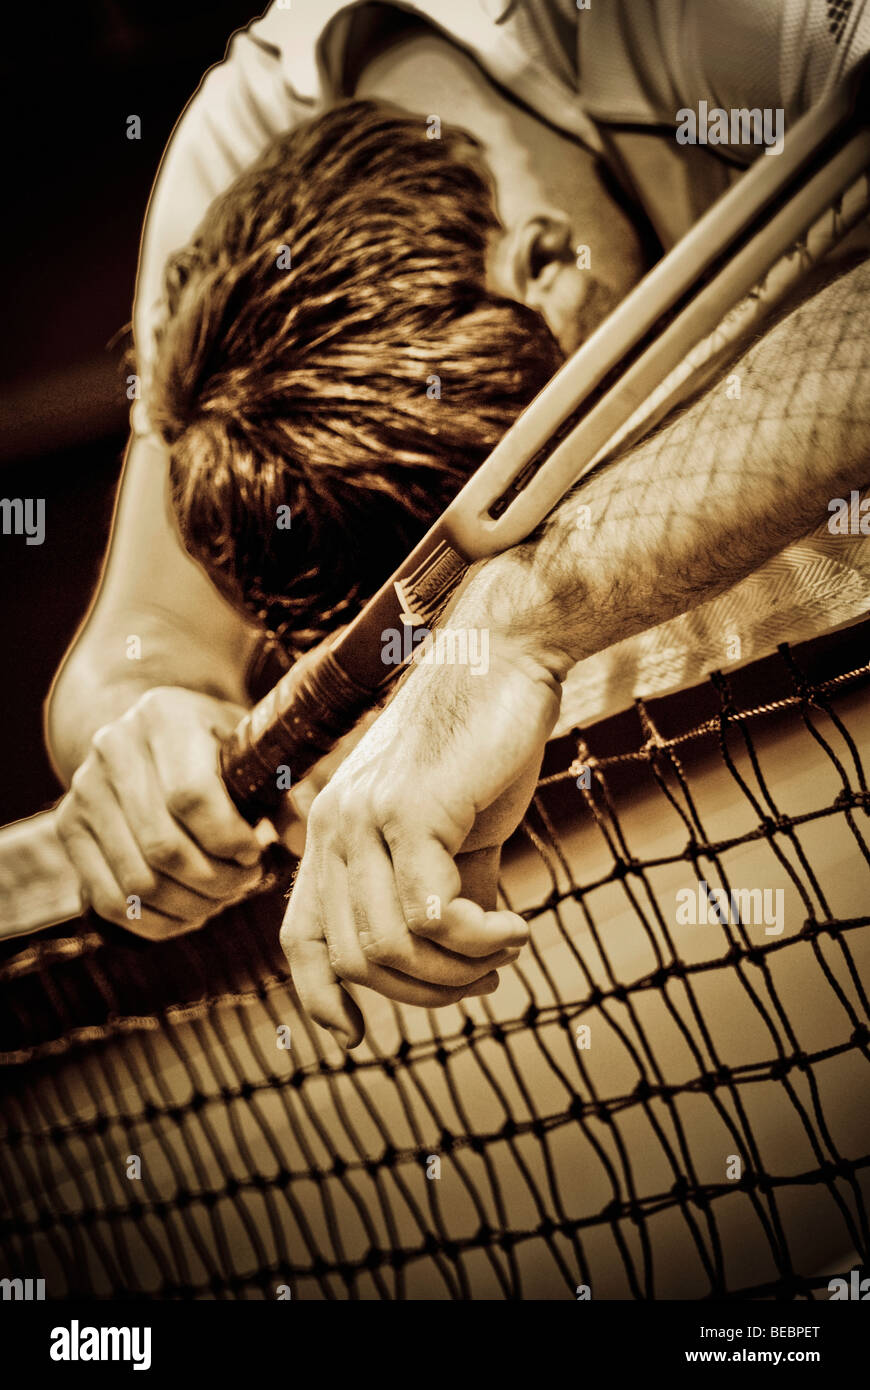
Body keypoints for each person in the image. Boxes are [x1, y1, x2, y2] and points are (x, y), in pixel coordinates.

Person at [46, 1, 870, 1051]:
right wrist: (143, 729)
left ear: (546, 266)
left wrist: (522, 620)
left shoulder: (738, 18)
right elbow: (143, 641)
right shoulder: (227, 198)